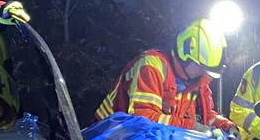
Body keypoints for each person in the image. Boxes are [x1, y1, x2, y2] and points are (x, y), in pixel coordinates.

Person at [96, 19, 237, 133]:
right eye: (201, 67)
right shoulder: (151, 66)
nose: (203, 74)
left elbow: (206, 117)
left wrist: (226, 126)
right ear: (185, 54)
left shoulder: (198, 81)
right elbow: (143, 119)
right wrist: (191, 127)